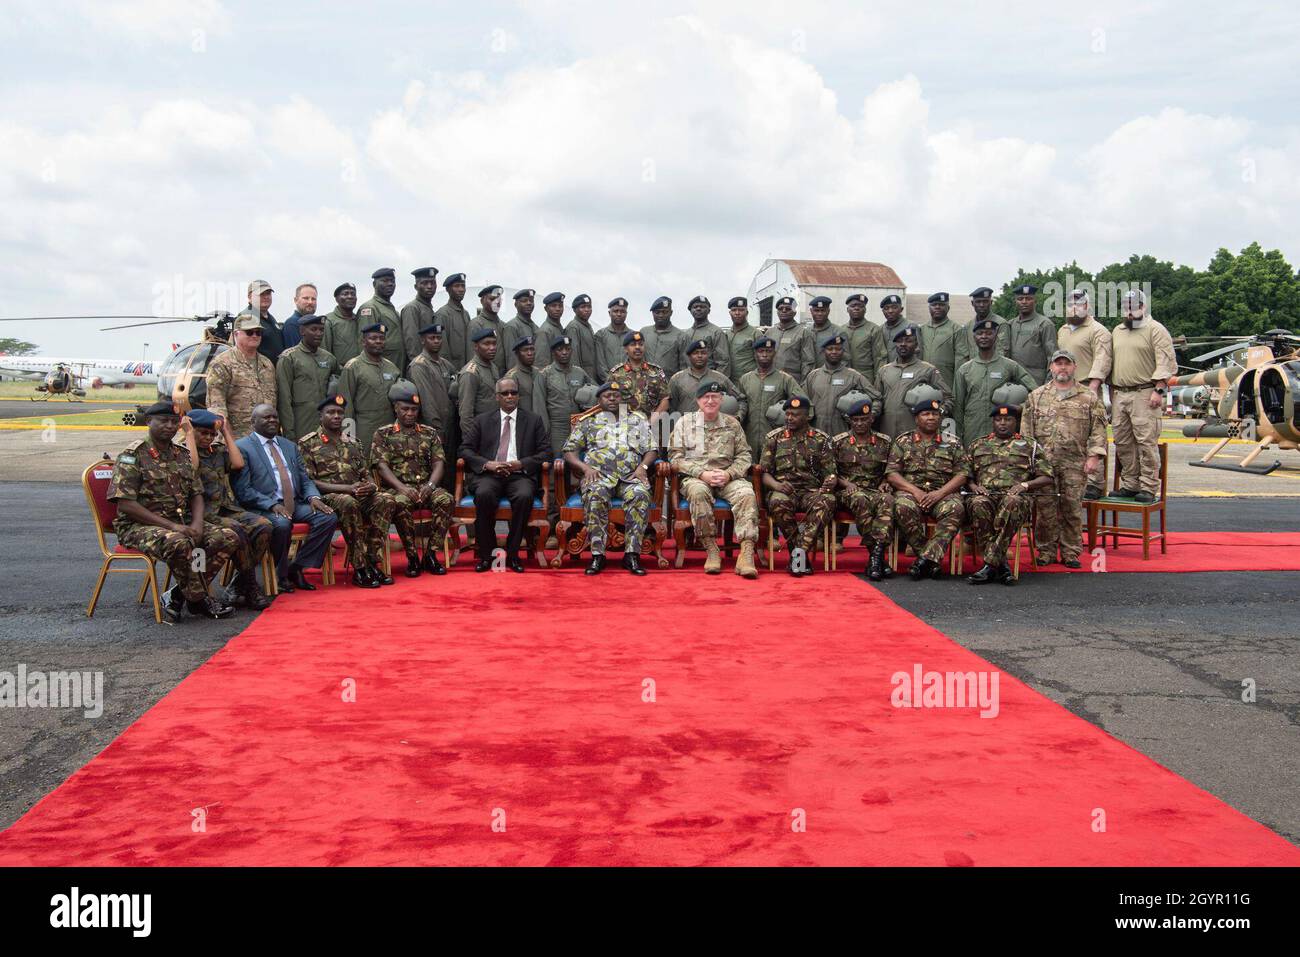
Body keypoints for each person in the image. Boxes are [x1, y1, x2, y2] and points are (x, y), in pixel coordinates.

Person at [109, 400, 239, 622]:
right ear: (149, 421)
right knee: (178, 542)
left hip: (178, 521)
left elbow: (196, 493)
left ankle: (178, 594)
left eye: (173, 421)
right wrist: (172, 526)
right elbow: (126, 504)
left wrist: (197, 523)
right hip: (139, 526)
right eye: (163, 421)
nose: (169, 426)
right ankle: (199, 600)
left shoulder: (181, 454)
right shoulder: (133, 455)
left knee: (226, 537)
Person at [233, 404, 338, 593]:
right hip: (265, 506)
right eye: (266, 417)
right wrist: (271, 504)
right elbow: (243, 490)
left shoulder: (289, 446)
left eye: (274, 416)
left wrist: (313, 496)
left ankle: (296, 568)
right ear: (253, 422)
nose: (272, 420)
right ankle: (280, 576)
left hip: (294, 503)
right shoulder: (242, 447)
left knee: (327, 517)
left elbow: (304, 479)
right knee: (282, 524)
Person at [178, 408, 274, 610]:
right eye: (203, 433)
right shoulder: (181, 450)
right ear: (192, 430)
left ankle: (240, 584)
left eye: (212, 434)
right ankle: (250, 587)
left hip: (224, 508)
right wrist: (188, 435)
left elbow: (238, 463)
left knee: (264, 525)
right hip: (198, 514)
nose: (208, 438)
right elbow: (191, 468)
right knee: (237, 530)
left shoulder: (217, 450)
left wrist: (227, 432)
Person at [299, 395, 397, 587]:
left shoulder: (353, 443)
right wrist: (347, 488)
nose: (336, 416)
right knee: (347, 502)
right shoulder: (308, 443)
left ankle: (371, 561)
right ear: (321, 416)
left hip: (356, 493)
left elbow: (365, 474)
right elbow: (309, 481)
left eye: (339, 413)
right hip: (328, 498)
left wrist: (371, 486)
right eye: (331, 412)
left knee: (386, 500)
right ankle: (359, 568)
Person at [1021, 350, 1108, 566]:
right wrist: (1028, 461)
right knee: (1045, 508)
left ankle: (1071, 552)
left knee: (1072, 507)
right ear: (1051, 368)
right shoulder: (1037, 396)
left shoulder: (1089, 397)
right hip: (1044, 464)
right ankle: (1046, 551)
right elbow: (1026, 432)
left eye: (1066, 364)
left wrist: (1094, 456)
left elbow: (1099, 429)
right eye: (1058, 364)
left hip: (1075, 463)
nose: (1062, 368)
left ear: (1074, 367)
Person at [563, 381, 656, 576]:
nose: (612, 399)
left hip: (630, 477)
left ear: (622, 398)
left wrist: (643, 467)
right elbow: (570, 451)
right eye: (607, 396)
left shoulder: (637, 420)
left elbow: (651, 449)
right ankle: (598, 555)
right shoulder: (588, 422)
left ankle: (632, 555)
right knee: (595, 494)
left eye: (616, 395)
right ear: (599, 400)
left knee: (640, 494)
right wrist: (585, 468)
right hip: (599, 476)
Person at [669, 380, 759, 578]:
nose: (710, 401)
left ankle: (746, 553)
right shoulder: (685, 423)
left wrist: (729, 474)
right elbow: (675, 457)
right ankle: (711, 549)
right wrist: (701, 473)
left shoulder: (732, 423)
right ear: (698, 400)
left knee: (746, 493)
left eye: (715, 397)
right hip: (697, 477)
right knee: (698, 492)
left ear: (721, 399)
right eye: (706, 397)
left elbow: (744, 455)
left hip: (728, 477)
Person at [461, 377, 552, 572]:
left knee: (525, 496)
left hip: (519, 474)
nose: (510, 396)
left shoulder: (533, 420)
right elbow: (465, 450)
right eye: (505, 393)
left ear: (519, 396)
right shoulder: (482, 420)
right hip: (489, 475)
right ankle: (488, 555)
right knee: (484, 494)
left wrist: (521, 463)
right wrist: (488, 464)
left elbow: (545, 452)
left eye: (514, 392)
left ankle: (512, 555)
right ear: (497, 397)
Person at [965, 401, 1054, 584]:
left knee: (1011, 503)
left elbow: (1047, 477)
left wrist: (1025, 486)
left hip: (1016, 497)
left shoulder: (1030, 445)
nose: (1003, 423)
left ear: (1016, 422)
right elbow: (965, 476)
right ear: (993, 422)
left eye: (1008, 419)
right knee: (978, 504)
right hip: (985, 496)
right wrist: (974, 488)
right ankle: (1002, 566)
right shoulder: (978, 445)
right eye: (998, 419)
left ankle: (990, 565)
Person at [370, 387, 454, 578]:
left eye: (414, 409)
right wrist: (402, 488)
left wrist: (431, 486)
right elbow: (381, 467)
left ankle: (431, 554)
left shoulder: (429, 433)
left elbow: (439, 463)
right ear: (396, 409)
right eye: (405, 409)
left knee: (446, 499)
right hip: (397, 489)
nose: (410, 413)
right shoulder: (383, 434)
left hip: (426, 487)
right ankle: (412, 556)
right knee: (400, 503)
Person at [887, 396, 968, 581]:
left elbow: (963, 474)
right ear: (916, 418)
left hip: (943, 493)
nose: (931, 417)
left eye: (934, 414)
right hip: (911, 492)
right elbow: (892, 474)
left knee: (956, 509)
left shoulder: (952, 441)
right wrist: (915, 491)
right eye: (926, 414)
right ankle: (931, 559)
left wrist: (940, 493)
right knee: (902, 507)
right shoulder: (903, 441)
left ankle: (924, 559)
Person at [1109, 290, 1177, 503]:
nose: (1130, 310)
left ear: (1144, 306)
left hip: (1145, 392)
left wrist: (1159, 389)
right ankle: (1130, 483)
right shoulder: (1117, 331)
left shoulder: (1155, 329)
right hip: (1121, 393)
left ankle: (1148, 486)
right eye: (1126, 306)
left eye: (1135, 305)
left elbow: (1166, 362)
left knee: (1146, 441)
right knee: (1123, 441)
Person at [760, 396, 836, 576]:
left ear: (807, 416)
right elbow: (763, 473)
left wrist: (830, 481)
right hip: (784, 490)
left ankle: (799, 553)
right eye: (787, 414)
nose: (789, 418)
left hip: (812, 491)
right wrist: (776, 486)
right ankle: (800, 555)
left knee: (827, 501)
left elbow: (831, 472)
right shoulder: (774, 438)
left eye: (795, 415)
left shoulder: (820, 439)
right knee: (778, 503)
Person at [534, 335, 593, 542]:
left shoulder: (580, 373)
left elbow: (595, 397)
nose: (564, 352)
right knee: (553, 478)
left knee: (578, 476)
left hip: (578, 429)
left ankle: (578, 527)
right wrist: (545, 435)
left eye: (567, 349)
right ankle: (552, 528)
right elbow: (539, 407)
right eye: (560, 349)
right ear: (553, 352)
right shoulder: (545, 374)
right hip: (555, 429)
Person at [832, 397, 895, 581]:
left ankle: (876, 557)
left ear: (871, 419)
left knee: (888, 500)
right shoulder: (838, 442)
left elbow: (891, 470)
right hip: (848, 492)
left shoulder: (884, 442)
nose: (859, 423)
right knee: (859, 498)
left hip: (875, 490)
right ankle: (876, 556)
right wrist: (846, 484)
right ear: (850, 421)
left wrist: (886, 482)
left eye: (863, 419)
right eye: (855, 420)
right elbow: (829, 472)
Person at [952, 317, 1036, 445]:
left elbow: (1036, 393)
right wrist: (957, 437)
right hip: (973, 431)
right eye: (980, 333)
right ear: (974, 337)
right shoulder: (964, 370)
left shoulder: (1010, 366)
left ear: (996, 336)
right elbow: (958, 407)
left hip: (1002, 432)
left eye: (989, 333)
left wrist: (1021, 408)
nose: (984, 336)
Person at [205, 314, 277, 438]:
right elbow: (217, 407)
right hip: (237, 438)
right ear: (236, 334)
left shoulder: (267, 364)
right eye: (249, 332)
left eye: (258, 332)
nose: (255, 336)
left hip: (265, 438)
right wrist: (227, 439)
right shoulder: (222, 363)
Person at [876, 324, 950, 439]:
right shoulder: (884, 370)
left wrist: (937, 412)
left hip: (915, 435)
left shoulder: (927, 369)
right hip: (887, 432)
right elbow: (877, 399)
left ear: (916, 345)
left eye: (908, 341)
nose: (903, 344)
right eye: (899, 341)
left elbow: (948, 398)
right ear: (895, 345)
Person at [275, 314, 341, 441]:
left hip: (325, 425)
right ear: (302, 331)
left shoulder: (328, 358)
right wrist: (289, 431)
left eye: (321, 330)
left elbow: (341, 377)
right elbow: (284, 398)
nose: (318, 333)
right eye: (314, 329)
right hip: (301, 424)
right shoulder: (289, 358)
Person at [337, 321, 400, 452]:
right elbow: (345, 404)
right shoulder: (353, 367)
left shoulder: (392, 367)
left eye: (382, 338)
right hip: (365, 427)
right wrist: (348, 435)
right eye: (373, 338)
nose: (378, 341)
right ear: (363, 341)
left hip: (389, 425)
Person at [802, 333, 873, 438]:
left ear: (843, 352)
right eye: (830, 349)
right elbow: (803, 403)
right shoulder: (813, 376)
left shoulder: (853, 376)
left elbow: (876, 398)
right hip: (816, 434)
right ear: (823, 351)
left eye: (838, 349)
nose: (834, 352)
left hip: (844, 435)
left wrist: (868, 416)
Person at [406, 322, 458, 461]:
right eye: (432, 338)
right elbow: (427, 402)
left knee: (450, 471)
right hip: (432, 430)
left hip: (450, 427)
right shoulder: (419, 366)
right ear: (423, 340)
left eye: (439, 338)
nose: (436, 341)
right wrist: (436, 430)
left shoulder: (446, 364)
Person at [668, 339, 746, 419]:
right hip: (687, 427)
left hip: (713, 428)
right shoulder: (677, 379)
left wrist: (738, 417)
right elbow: (670, 407)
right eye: (695, 353)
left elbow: (741, 399)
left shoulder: (719, 378)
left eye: (703, 353)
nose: (700, 356)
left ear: (708, 355)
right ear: (689, 356)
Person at [1056, 289, 1112, 397]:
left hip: (1086, 388)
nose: (1074, 307)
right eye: (1070, 304)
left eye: (1079, 303)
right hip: (1063, 388)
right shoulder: (1062, 330)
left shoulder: (1098, 331)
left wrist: (1093, 387)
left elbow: (1102, 361)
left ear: (1087, 306)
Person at [997, 283, 1056, 386]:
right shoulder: (1010, 324)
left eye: (1028, 298)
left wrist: (1048, 384)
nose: (1024, 302)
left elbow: (1052, 357)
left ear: (1035, 301)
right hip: (1012, 382)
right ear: (1015, 301)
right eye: (1020, 299)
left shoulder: (1044, 324)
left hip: (1036, 382)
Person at [605, 330, 670, 421]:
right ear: (625, 349)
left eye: (641, 344)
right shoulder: (616, 373)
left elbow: (665, 401)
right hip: (624, 426)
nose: (637, 347)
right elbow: (607, 400)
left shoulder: (656, 371)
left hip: (652, 426)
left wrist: (649, 423)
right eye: (633, 345)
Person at [919, 292, 972, 389]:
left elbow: (961, 360)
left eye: (942, 305)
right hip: (924, 383)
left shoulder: (956, 329)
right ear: (929, 308)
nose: (937, 307)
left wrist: (958, 386)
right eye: (934, 305)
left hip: (946, 383)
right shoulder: (922, 329)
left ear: (948, 308)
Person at [358, 268, 405, 373]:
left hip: (395, 367)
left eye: (392, 281)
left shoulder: (392, 309)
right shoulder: (370, 308)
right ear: (374, 284)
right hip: (379, 370)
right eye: (385, 281)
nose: (390, 284)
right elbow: (366, 344)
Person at [458, 328, 501, 427]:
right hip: (479, 431)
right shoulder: (470, 373)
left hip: (494, 427)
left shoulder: (493, 367)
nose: (492, 347)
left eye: (494, 343)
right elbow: (466, 414)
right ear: (476, 347)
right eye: (486, 344)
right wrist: (471, 441)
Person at [399, 266, 440, 368]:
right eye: (425, 283)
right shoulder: (412, 308)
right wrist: (420, 367)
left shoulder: (428, 308)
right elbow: (412, 343)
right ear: (416, 286)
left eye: (433, 283)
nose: (430, 286)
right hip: (420, 367)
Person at [843, 293, 885, 388]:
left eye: (860, 306)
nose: (856, 308)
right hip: (845, 377)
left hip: (866, 377)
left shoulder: (874, 329)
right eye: (853, 306)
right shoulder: (841, 330)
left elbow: (879, 358)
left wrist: (878, 381)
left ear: (865, 310)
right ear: (847, 309)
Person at [434, 272, 473, 370]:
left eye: (463, 286)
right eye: (456, 286)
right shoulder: (442, 314)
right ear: (448, 289)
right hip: (452, 369)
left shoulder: (466, 314)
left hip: (467, 368)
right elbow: (442, 349)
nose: (461, 289)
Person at [641, 296, 688, 377]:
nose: (661, 315)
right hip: (645, 381)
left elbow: (685, 366)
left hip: (669, 383)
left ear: (671, 313)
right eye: (657, 312)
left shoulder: (681, 336)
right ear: (652, 313)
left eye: (664, 312)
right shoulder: (644, 332)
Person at [239, 279, 284, 364]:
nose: (266, 297)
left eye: (268, 293)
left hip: (272, 372)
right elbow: (242, 351)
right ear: (250, 297)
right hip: (256, 373)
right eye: (261, 294)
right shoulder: (247, 318)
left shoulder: (270, 318)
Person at [771, 296, 815, 380]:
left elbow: (808, 362)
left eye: (788, 309)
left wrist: (804, 384)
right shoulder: (770, 333)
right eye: (781, 309)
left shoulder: (803, 333)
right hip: (772, 381)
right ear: (777, 312)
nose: (784, 311)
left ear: (794, 312)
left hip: (793, 381)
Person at [469, 284, 508, 378]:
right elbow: (472, 355)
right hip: (483, 376)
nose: (496, 302)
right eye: (492, 299)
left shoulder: (503, 325)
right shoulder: (476, 324)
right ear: (482, 301)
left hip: (503, 376)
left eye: (499, 299)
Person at [321, 282, 362, 368]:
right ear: (337, 299)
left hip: (360, 371)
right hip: (339, 374)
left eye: (353, 294)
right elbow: (324, 353)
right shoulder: (328, 321)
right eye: (345, 294)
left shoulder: (359, 320)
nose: (350, 296)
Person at [684, 295, 728, 372]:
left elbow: (723, 362)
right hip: (688, 379)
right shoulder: (686, 334)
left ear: (709, 311)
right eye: (695, 307)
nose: (698, 309)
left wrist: (716, 383)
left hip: (709, 379)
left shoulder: (716, 332)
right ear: (690, 311)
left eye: (702, 307)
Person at [594, 296, 633, 383]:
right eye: (615, 311)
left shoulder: (632, 336)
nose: (619, 314)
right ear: (609, 313)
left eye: (622, 311)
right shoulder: (601, 335)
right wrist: (610, 381)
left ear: (626, 313)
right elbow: (600, 364)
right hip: (607, 385)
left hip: (629, 384)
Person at [723, 296, 759, 382]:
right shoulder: (726, 334)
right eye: (734, 310)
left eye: (741, 310)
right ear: (730, 313)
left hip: (749, 382)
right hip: (729, 382)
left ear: (747, 312)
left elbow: (761, 361)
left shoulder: (755, 334)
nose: (737, 313)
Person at [564, 293, 599, 380]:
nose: (587, 310)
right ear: (575, 310)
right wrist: (579, 378)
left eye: (589, 307)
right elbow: (573, 358)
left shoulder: (587, 325)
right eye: (583, 307)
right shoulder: (574, 327)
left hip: (591, 375)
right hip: (582, 377)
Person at [501, 288, 541, 363]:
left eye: (531, 300)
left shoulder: (535, 327)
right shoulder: (512, 326)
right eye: (524, 301)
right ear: (516, 304)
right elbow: (511, 357)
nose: (529, 303)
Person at [506, 336, 539, 412]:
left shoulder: (538, 373)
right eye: (525, 350)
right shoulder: (512, 377)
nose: (530, 353)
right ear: (517, 353)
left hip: (539, 419)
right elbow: (509, 407)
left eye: (532, 349)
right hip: (523, 420)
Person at [535, 292, 567, 369]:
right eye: (553, 306)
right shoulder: (545, 331)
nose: (557, 309)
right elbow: (542, 363)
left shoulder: (558, 327)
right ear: (546, 309)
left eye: (560, 306)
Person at [281, 283, 318, 350]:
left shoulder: (317, 324)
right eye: (306, 298)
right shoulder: (292, 324)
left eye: (313, 299)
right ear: (296, 300)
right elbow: (296, 356)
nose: (310, 302)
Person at [878, 294, 908, 368]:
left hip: (905, 369)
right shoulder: (880, 329)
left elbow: (918, 352)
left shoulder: (910, 326)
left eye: (894, 307)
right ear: (883, 311)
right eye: (886, 308)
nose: (890, 311)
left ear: (901, 309)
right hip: (886, 370)